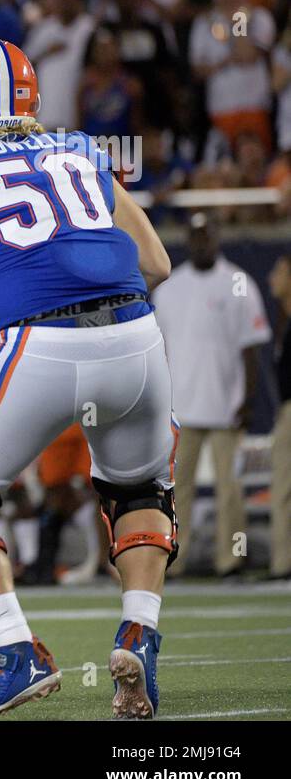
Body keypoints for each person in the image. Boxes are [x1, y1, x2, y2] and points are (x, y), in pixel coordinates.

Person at [0, 38, 175, 719]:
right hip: (138, 336)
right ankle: (139, 631)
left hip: (41, 342)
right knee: (140, 487)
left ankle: (15, 653)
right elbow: (158, 264)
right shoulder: (81, 149)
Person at [151, 214, 272, 578]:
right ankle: (176, 560)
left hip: (226, 407)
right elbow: (157, 349)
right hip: (180, 408)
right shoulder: (169, 287)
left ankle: (230, 559)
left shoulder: (237, 282)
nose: (202, 243)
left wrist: (247, 400)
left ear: (218, 239)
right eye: (196, 237)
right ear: (188, 240)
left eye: (208, 236)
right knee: (175, 490)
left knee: (230, 489)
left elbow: (251, 349)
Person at [269, 253, 291, 581]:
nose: (272, 276)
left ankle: (283, 564)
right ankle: (283, 562)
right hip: (286, 408)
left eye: (280, 270)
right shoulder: (283, 319)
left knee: (284, 486)